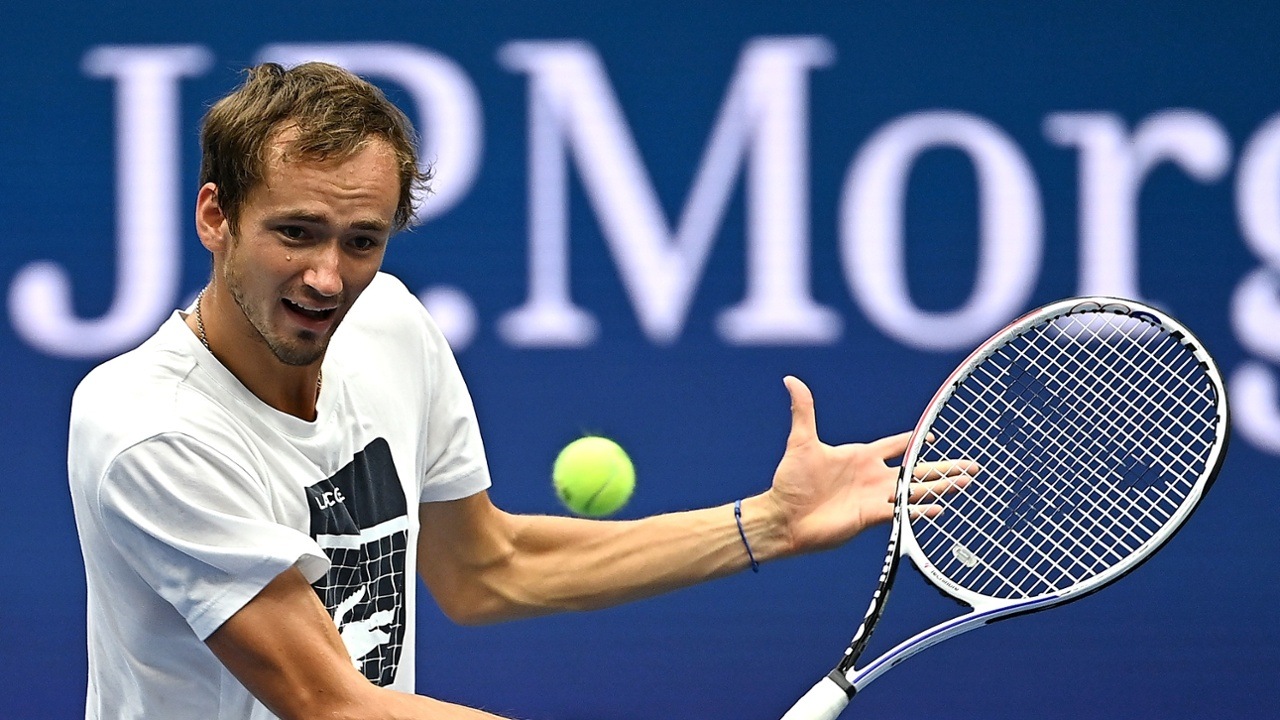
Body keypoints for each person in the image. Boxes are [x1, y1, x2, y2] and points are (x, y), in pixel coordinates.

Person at [67, 62, 971, 720]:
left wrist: (763, 525)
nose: (329, 278)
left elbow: (485, 568)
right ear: (215, 216)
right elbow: (331, 705)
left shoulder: (387, 325)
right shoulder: (151, 429)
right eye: (295, 233)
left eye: (362, 241)